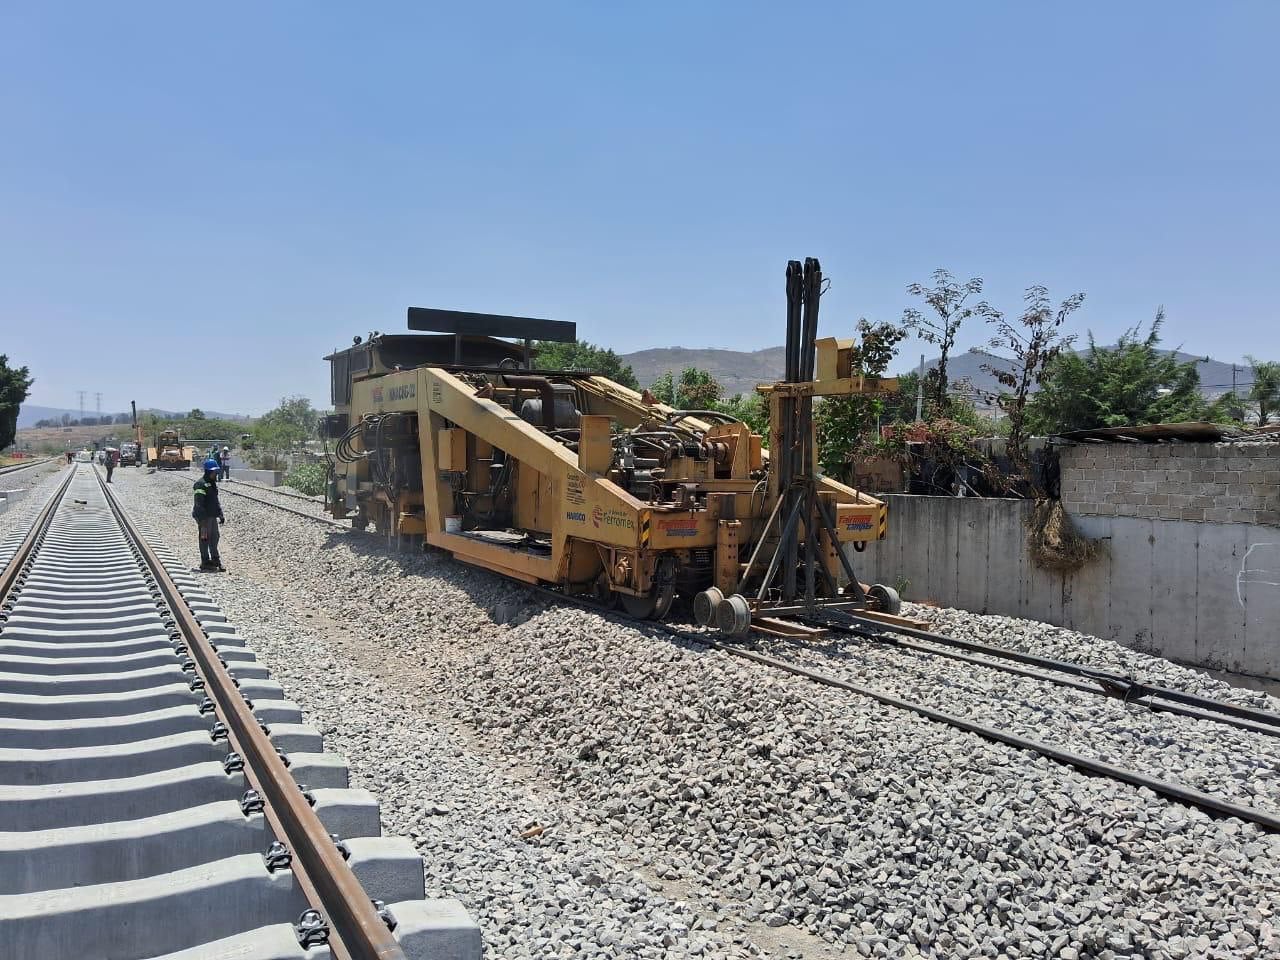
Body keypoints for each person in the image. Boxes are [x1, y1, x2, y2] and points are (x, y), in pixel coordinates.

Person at [192, 457, 227, 572]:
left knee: (214, 538)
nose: (215, 474)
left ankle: (216, 560)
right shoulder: (200, 484)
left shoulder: (212, 484)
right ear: (208, 472)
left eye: (216, 472)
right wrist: (202, 520)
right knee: (204, 539)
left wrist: (220, 514)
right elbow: (198, 503)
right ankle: (205, 561)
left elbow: (215, 501)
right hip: (203, 518)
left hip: (212, 516)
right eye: (214, 472)